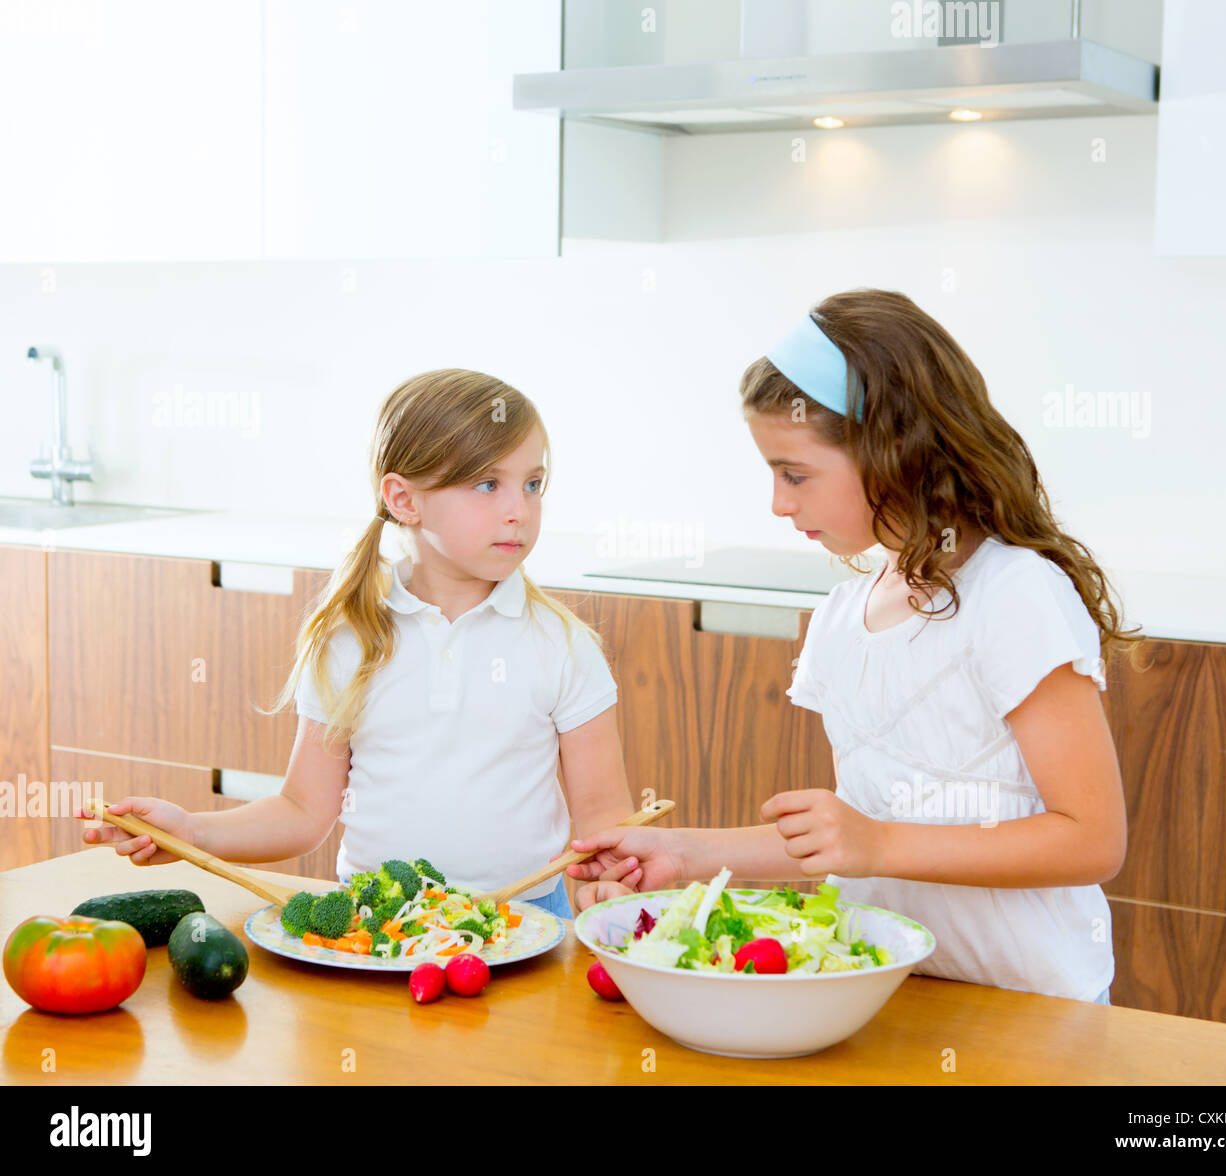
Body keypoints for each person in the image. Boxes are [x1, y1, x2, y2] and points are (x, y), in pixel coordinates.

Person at [568, 290, 1141, 1001]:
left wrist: (880, 844)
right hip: (891, 994)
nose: (779, 502)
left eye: (795, 473)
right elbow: (850, 834)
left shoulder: (1015, 593)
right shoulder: (846, 613)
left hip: (1034, 1007)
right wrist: (683, 852)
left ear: (891, 450)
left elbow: (1091, 839)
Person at [82, 369, 635, 919]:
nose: (520, 509)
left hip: (530, 923)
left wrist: (613, 882)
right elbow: (302, 811)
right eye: (488, 485)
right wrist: (193, 830)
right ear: (404, 499)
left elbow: (605, 819)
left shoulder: (563, 644)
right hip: (372, 930)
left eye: (533, 484)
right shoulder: (349, 640)